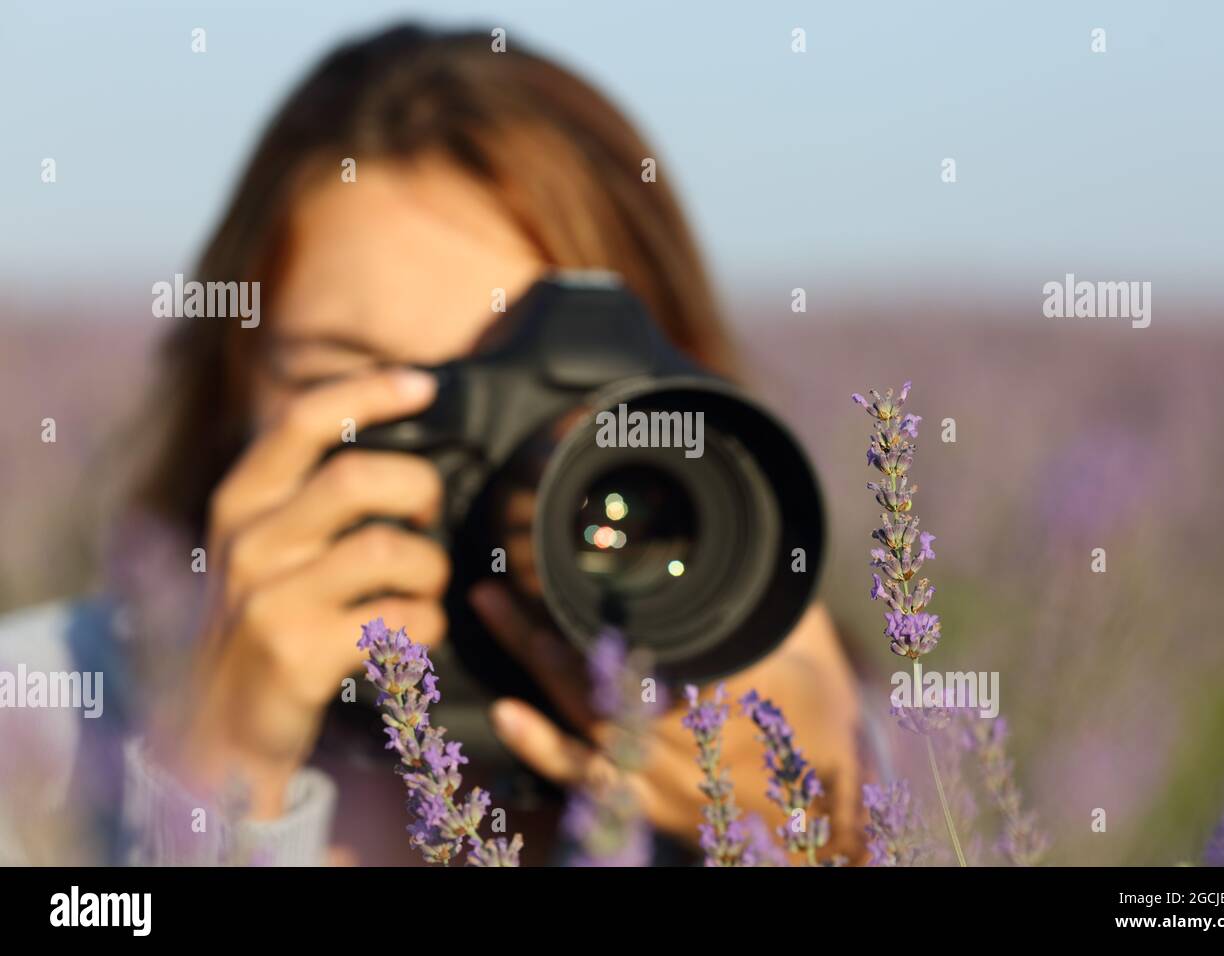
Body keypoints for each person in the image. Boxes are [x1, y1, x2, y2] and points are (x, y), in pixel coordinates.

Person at [0, 24, 864, 866]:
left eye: (548, 406)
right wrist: (214, 783)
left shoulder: (799, 730)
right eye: (368, 385)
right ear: (231, 383)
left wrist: (812, 834)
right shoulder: (40, 711)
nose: (468, 473)